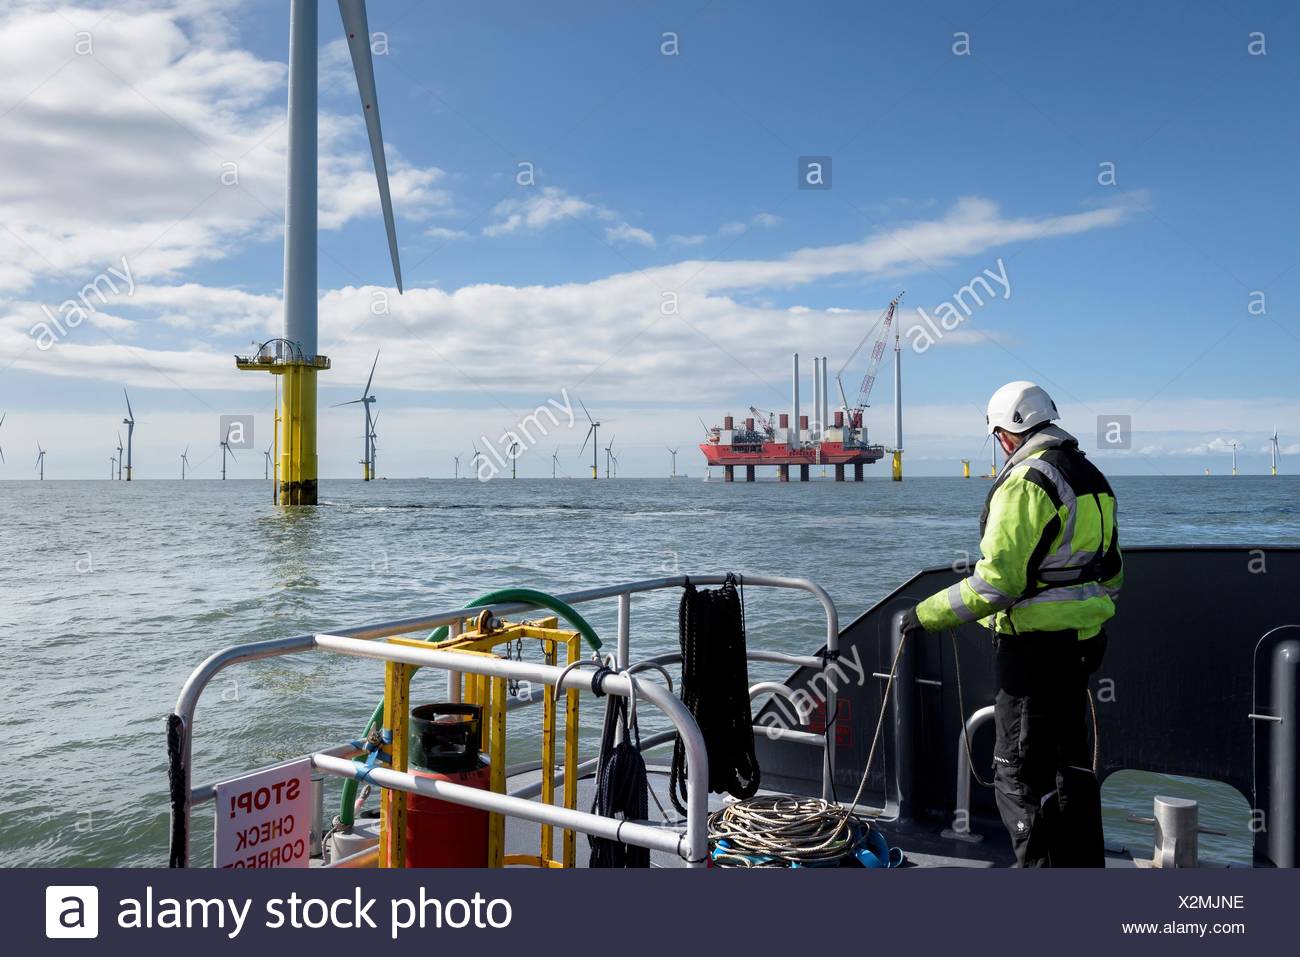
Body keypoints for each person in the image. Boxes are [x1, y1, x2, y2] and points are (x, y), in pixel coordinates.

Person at [900, 381, 1122, 867]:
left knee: (1018, 776)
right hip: (1081, 650)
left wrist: (925, 614)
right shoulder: (1092, 477)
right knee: (1070, 771)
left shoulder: (1027, 482)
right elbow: (1112, 574)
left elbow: (996, 584)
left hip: (1033, 656)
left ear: (1004, 434)